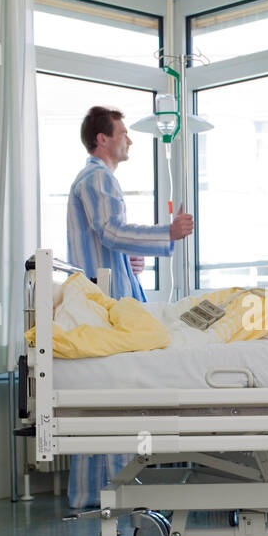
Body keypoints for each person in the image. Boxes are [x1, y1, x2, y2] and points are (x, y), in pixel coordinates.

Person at [66, 105, 194, 509]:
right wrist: (166, 233)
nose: (130, 139)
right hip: (105, 307)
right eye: (123, 132)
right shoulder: (97, 178)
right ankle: (112, 491)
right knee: (114, 398)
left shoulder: (96, 180)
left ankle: (98, 492)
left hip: (104, 298)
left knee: (106, 399)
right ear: (102, 138)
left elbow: (106, 240)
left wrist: (129, 259)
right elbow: (110, 230)